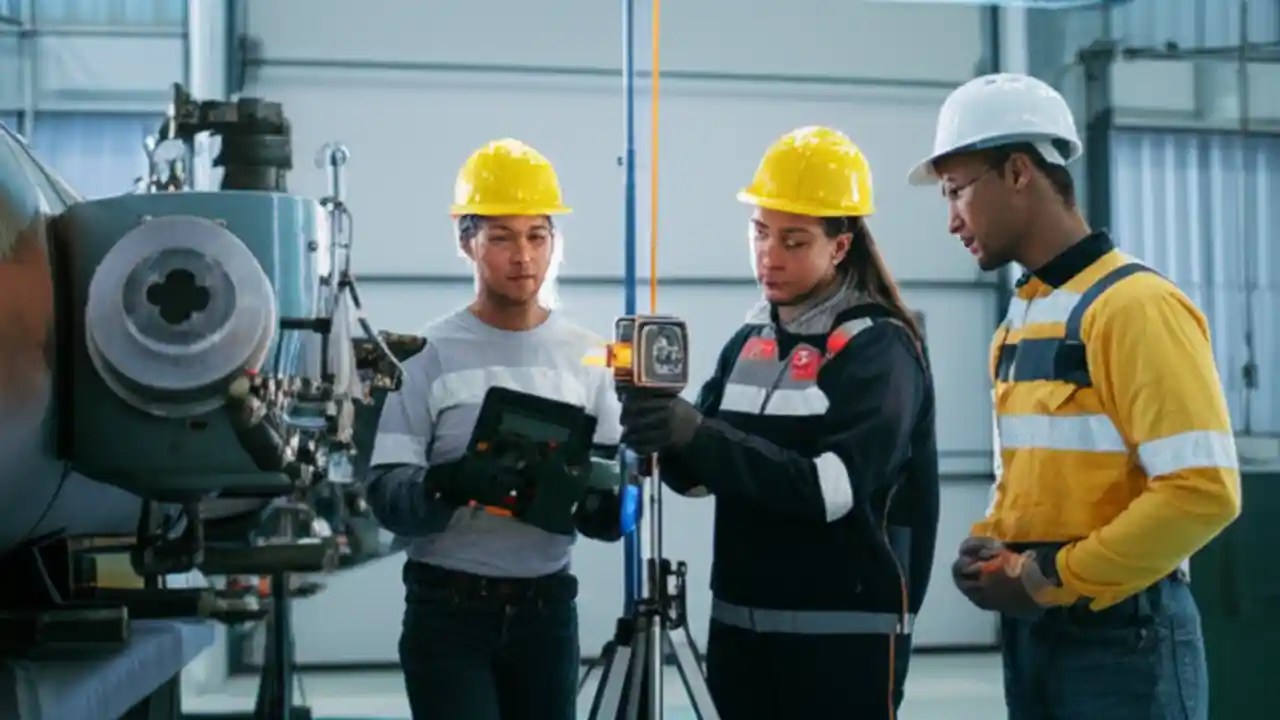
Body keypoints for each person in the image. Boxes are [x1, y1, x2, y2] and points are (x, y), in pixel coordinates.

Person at [908, 72, 1243, 719]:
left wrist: (1043, 576)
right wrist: (994, 544)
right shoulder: (1021, 319)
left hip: (1124, 638)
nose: (951, 219)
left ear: (1017, 172)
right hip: (1041, 636)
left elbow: (1203, 492)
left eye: (956, 190)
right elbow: (1037, 476)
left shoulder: (1135, 307)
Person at [618, 125, 940, 720]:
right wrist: (659, 432)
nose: (769, 254)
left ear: (840, 247)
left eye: (794, 240)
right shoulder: (751, 339)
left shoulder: (878, 349)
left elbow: (830, 491)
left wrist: (697, 431)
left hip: (842, 642)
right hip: (740, 632)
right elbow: (698, 479)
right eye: (760, 233)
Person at [364, 138, 625, 720]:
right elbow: (386, 493)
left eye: (537, 235)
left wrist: (603, 504)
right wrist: (447, 485)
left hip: (547, 614)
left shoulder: (591, 360)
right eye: (502, 237)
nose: (523, 255)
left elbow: (611, 488)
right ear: (466, 241)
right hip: (447, 612)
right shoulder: (425, 356)